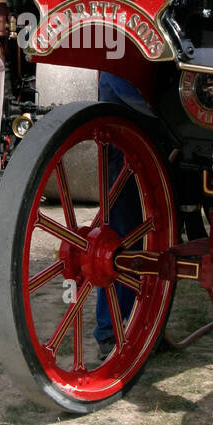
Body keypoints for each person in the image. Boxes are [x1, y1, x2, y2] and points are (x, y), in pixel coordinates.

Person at [93, 72, 150, 361]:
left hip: (134, 115)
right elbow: (125, 84)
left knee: (133, 232)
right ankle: (113, 330)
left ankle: (140, 321)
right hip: (127, 120)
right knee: (125, 235)